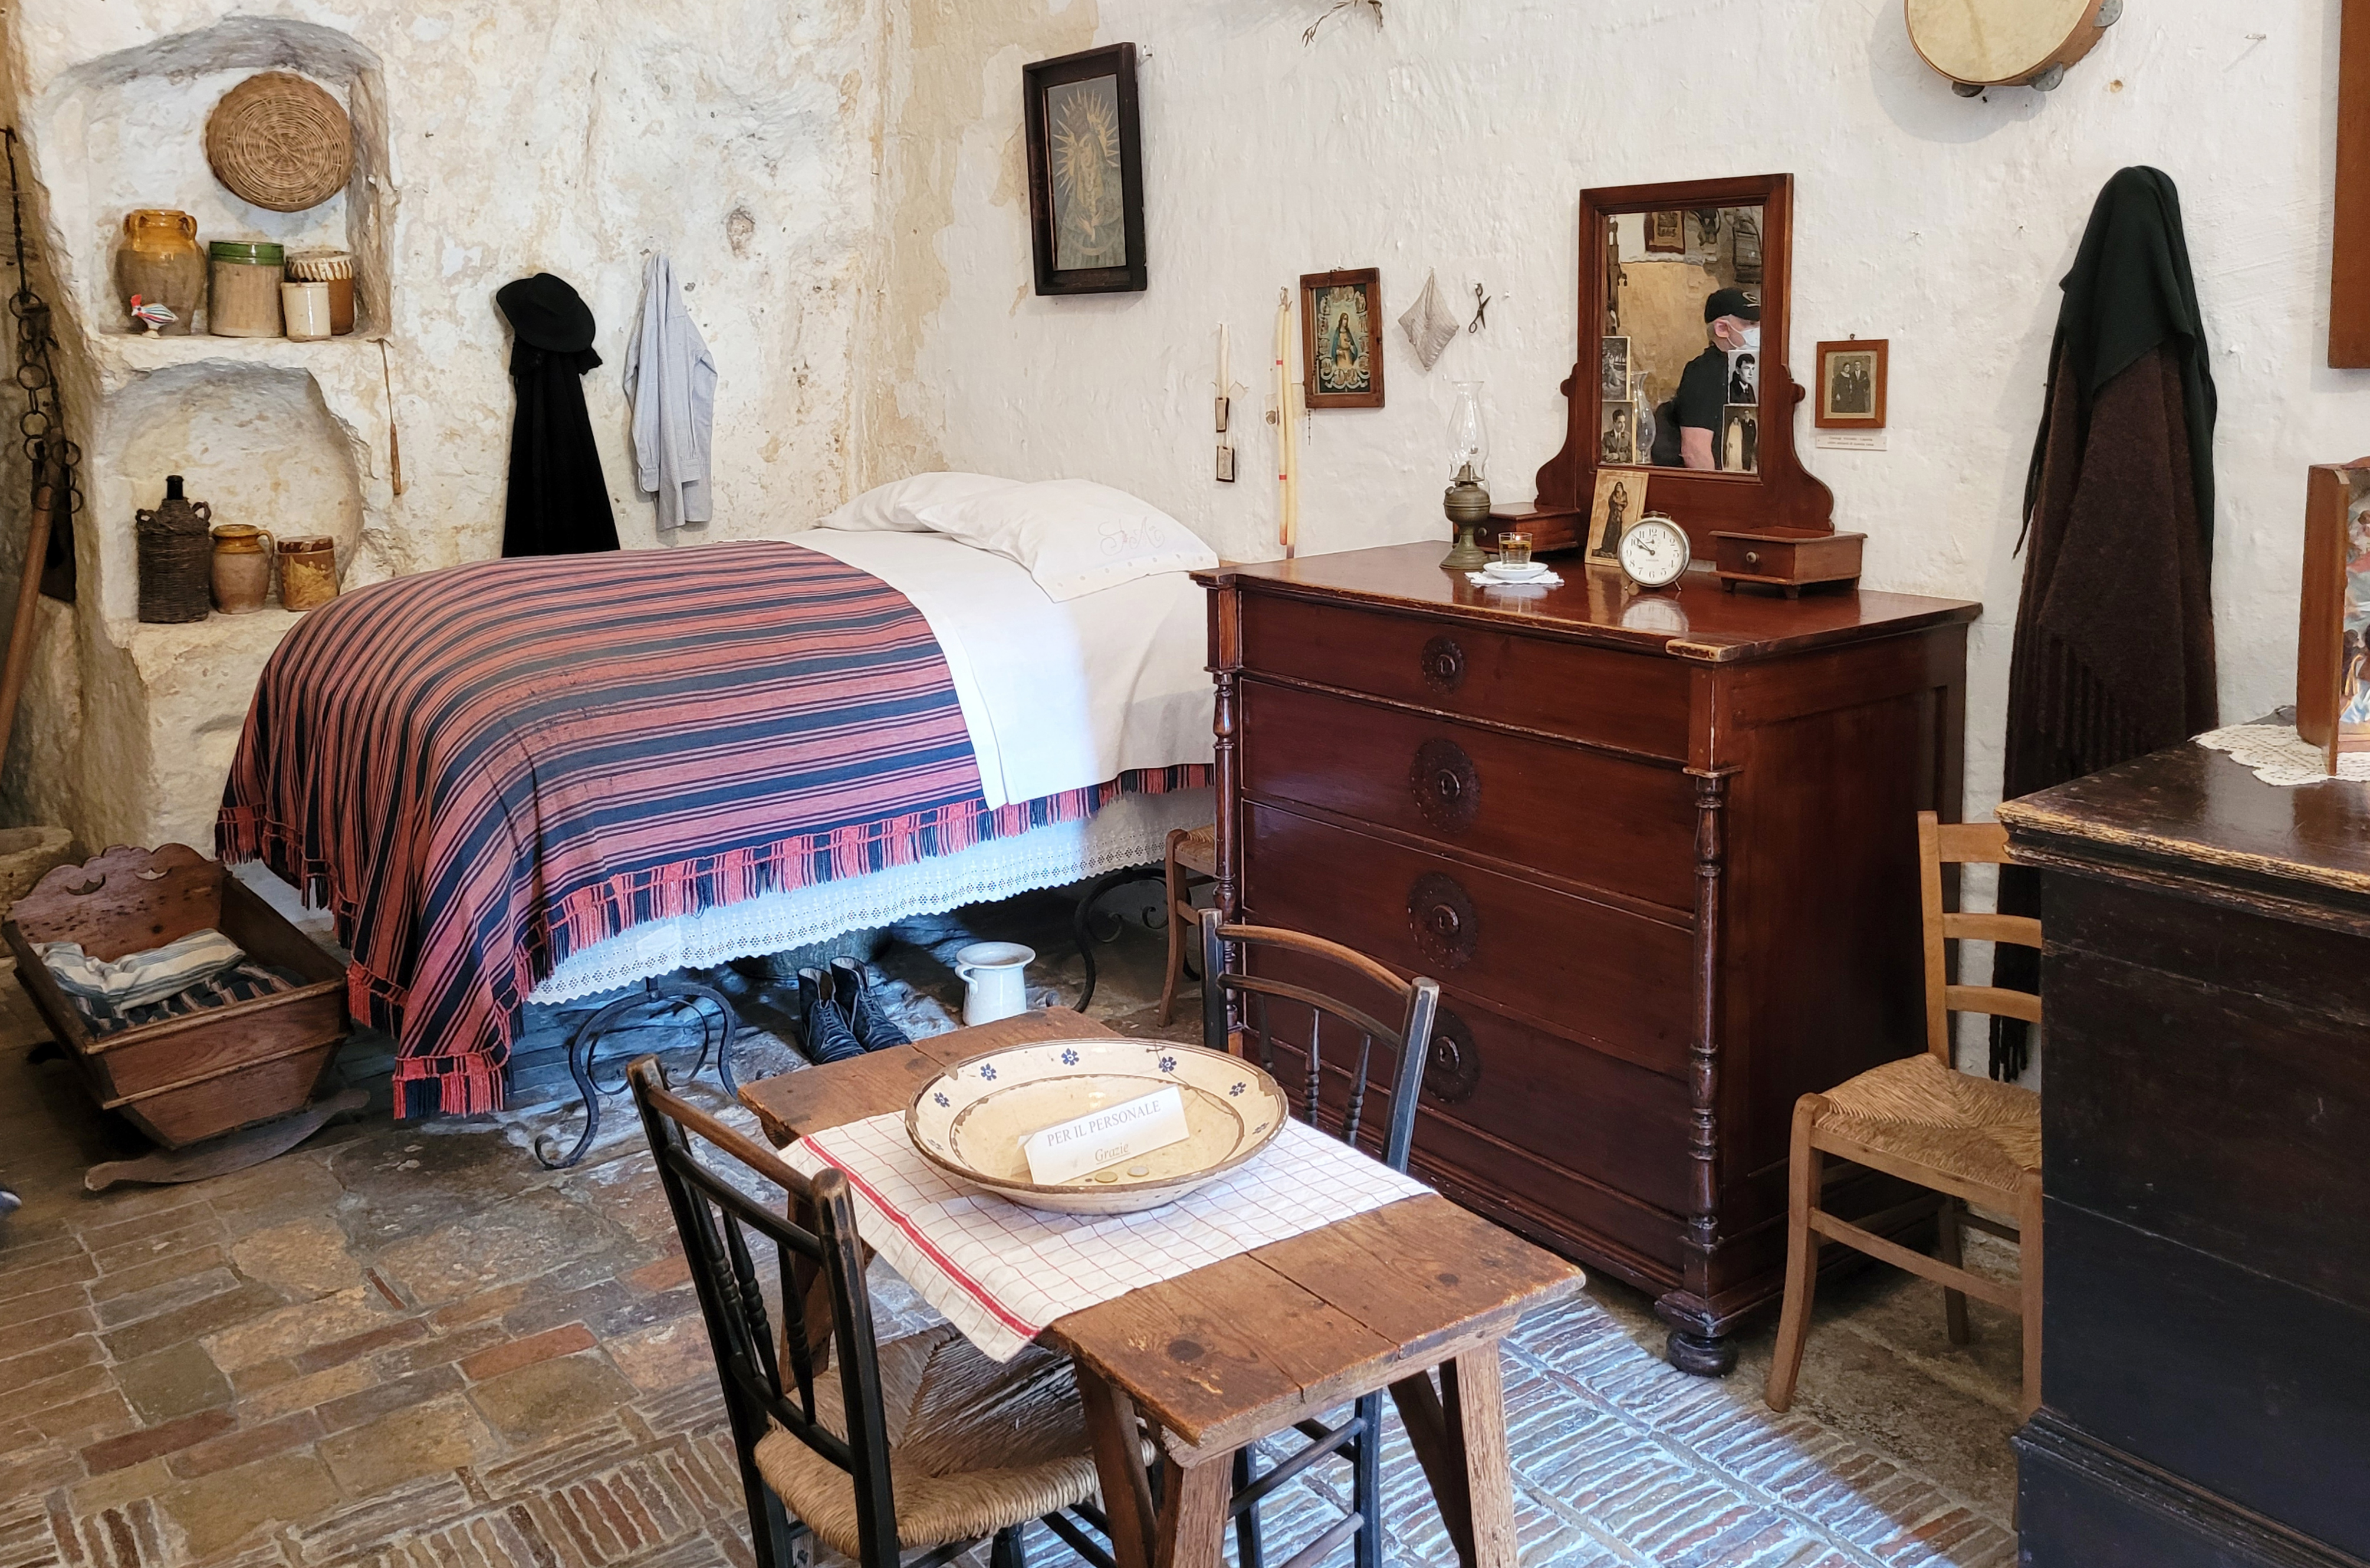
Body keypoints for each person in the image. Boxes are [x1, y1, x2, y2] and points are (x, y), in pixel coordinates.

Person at [1674, 287, 1758, 470]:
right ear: (1722, 328)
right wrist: (1716, 495)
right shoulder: (1703, 372)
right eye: (1750, 323)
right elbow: (1695, 449)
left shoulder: (1755, 369)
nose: (1758, 330)